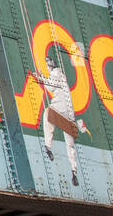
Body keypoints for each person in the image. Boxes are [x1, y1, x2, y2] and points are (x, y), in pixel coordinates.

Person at [32, 55, 87, 187]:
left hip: (60, 107)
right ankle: (74, 171)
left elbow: (50, 87)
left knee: (47, 116)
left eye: (48, 65)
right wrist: (42, 78)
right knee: (70, 145)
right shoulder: (62, 75)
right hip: (69, 113)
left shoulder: (55, 73)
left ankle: (48, 145)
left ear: (50, 66)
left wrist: (40, 78)